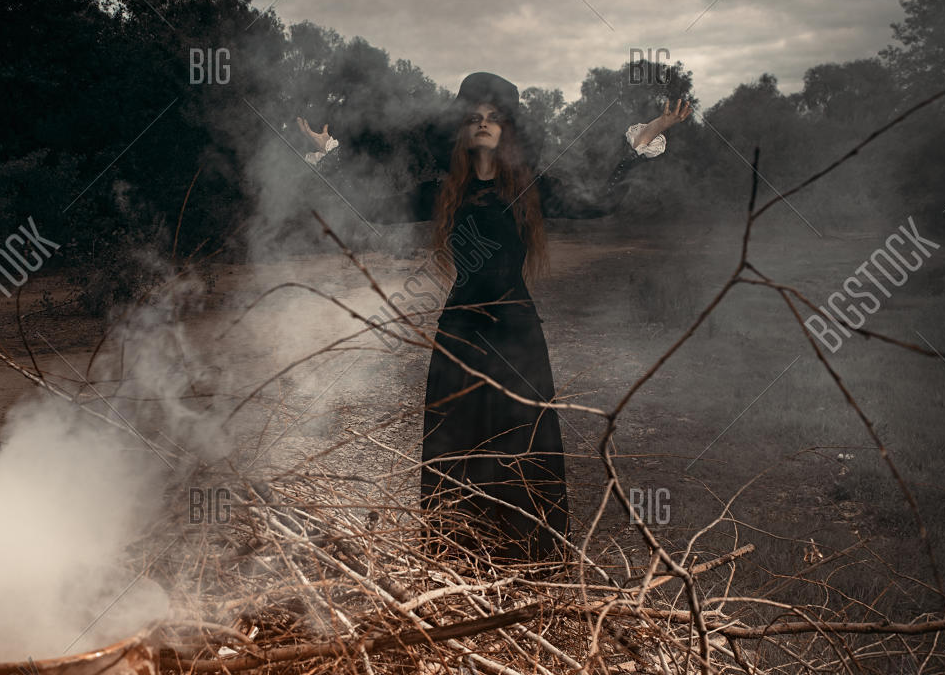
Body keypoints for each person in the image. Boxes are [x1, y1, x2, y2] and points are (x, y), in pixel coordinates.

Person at [296, 71, 691, 561]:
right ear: (463, 129)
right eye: (474, 118)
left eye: (493, 117)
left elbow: (599, 201)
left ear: (508, 129)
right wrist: (326, 151)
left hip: (517, 336)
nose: (483, 124)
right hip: (459, 333)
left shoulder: (531, 188)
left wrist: (648, 134)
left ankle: (525, 564)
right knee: (455, 446)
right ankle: (456, 561)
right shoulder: (442, 191)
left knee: (521, 444)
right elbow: (369, 207)